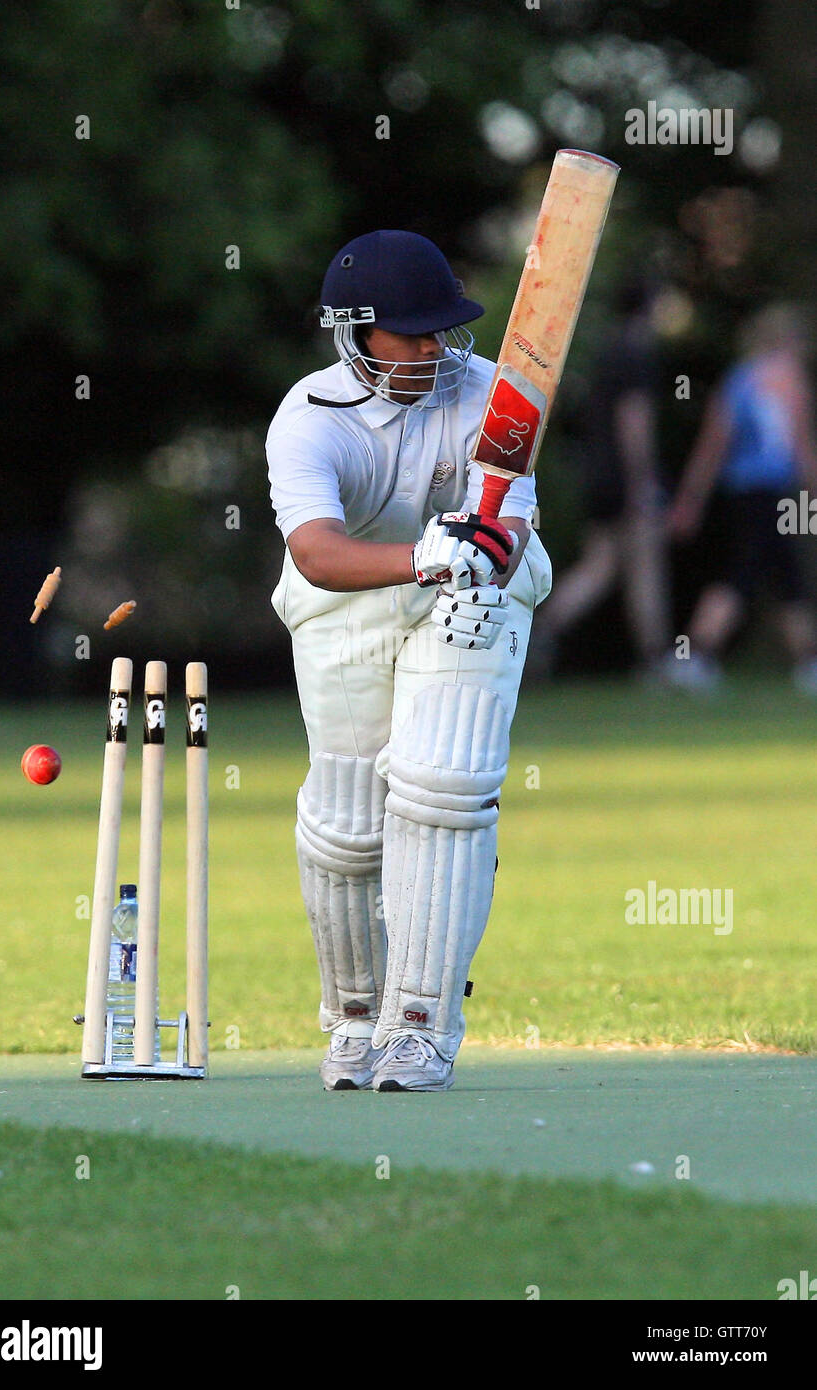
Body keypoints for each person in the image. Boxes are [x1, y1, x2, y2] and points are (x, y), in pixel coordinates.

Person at [266, 230, 552, 1091]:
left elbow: (512, 524)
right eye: (412, 333)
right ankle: (356, 1014)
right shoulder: (308, 417)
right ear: (354, 332)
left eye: (441, 330)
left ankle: (422, 1024)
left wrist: (480, 553)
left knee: (444, 787)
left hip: (469, 592)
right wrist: (423, 555)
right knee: (347, 825)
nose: (433, 349)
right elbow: (317, 553)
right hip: (348, 599)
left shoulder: (494, 393)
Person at [665, 304, 817, 692]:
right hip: (774, 493)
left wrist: (690, 500)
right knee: (745, 574)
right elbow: (801, 447)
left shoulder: (739, 380)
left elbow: (712, 446)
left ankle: (807, 660)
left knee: (783, 575)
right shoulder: (792, 379)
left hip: (741, 492)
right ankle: (696, 653)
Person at [528, 277, 669, 678]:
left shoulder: (608, 351)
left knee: (601, 567)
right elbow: (634, 422)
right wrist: (643, 481)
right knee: (646, 567)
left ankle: (541, 629)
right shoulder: (636, 354)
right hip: (625, 477)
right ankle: (657, 660)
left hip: (599, 476)